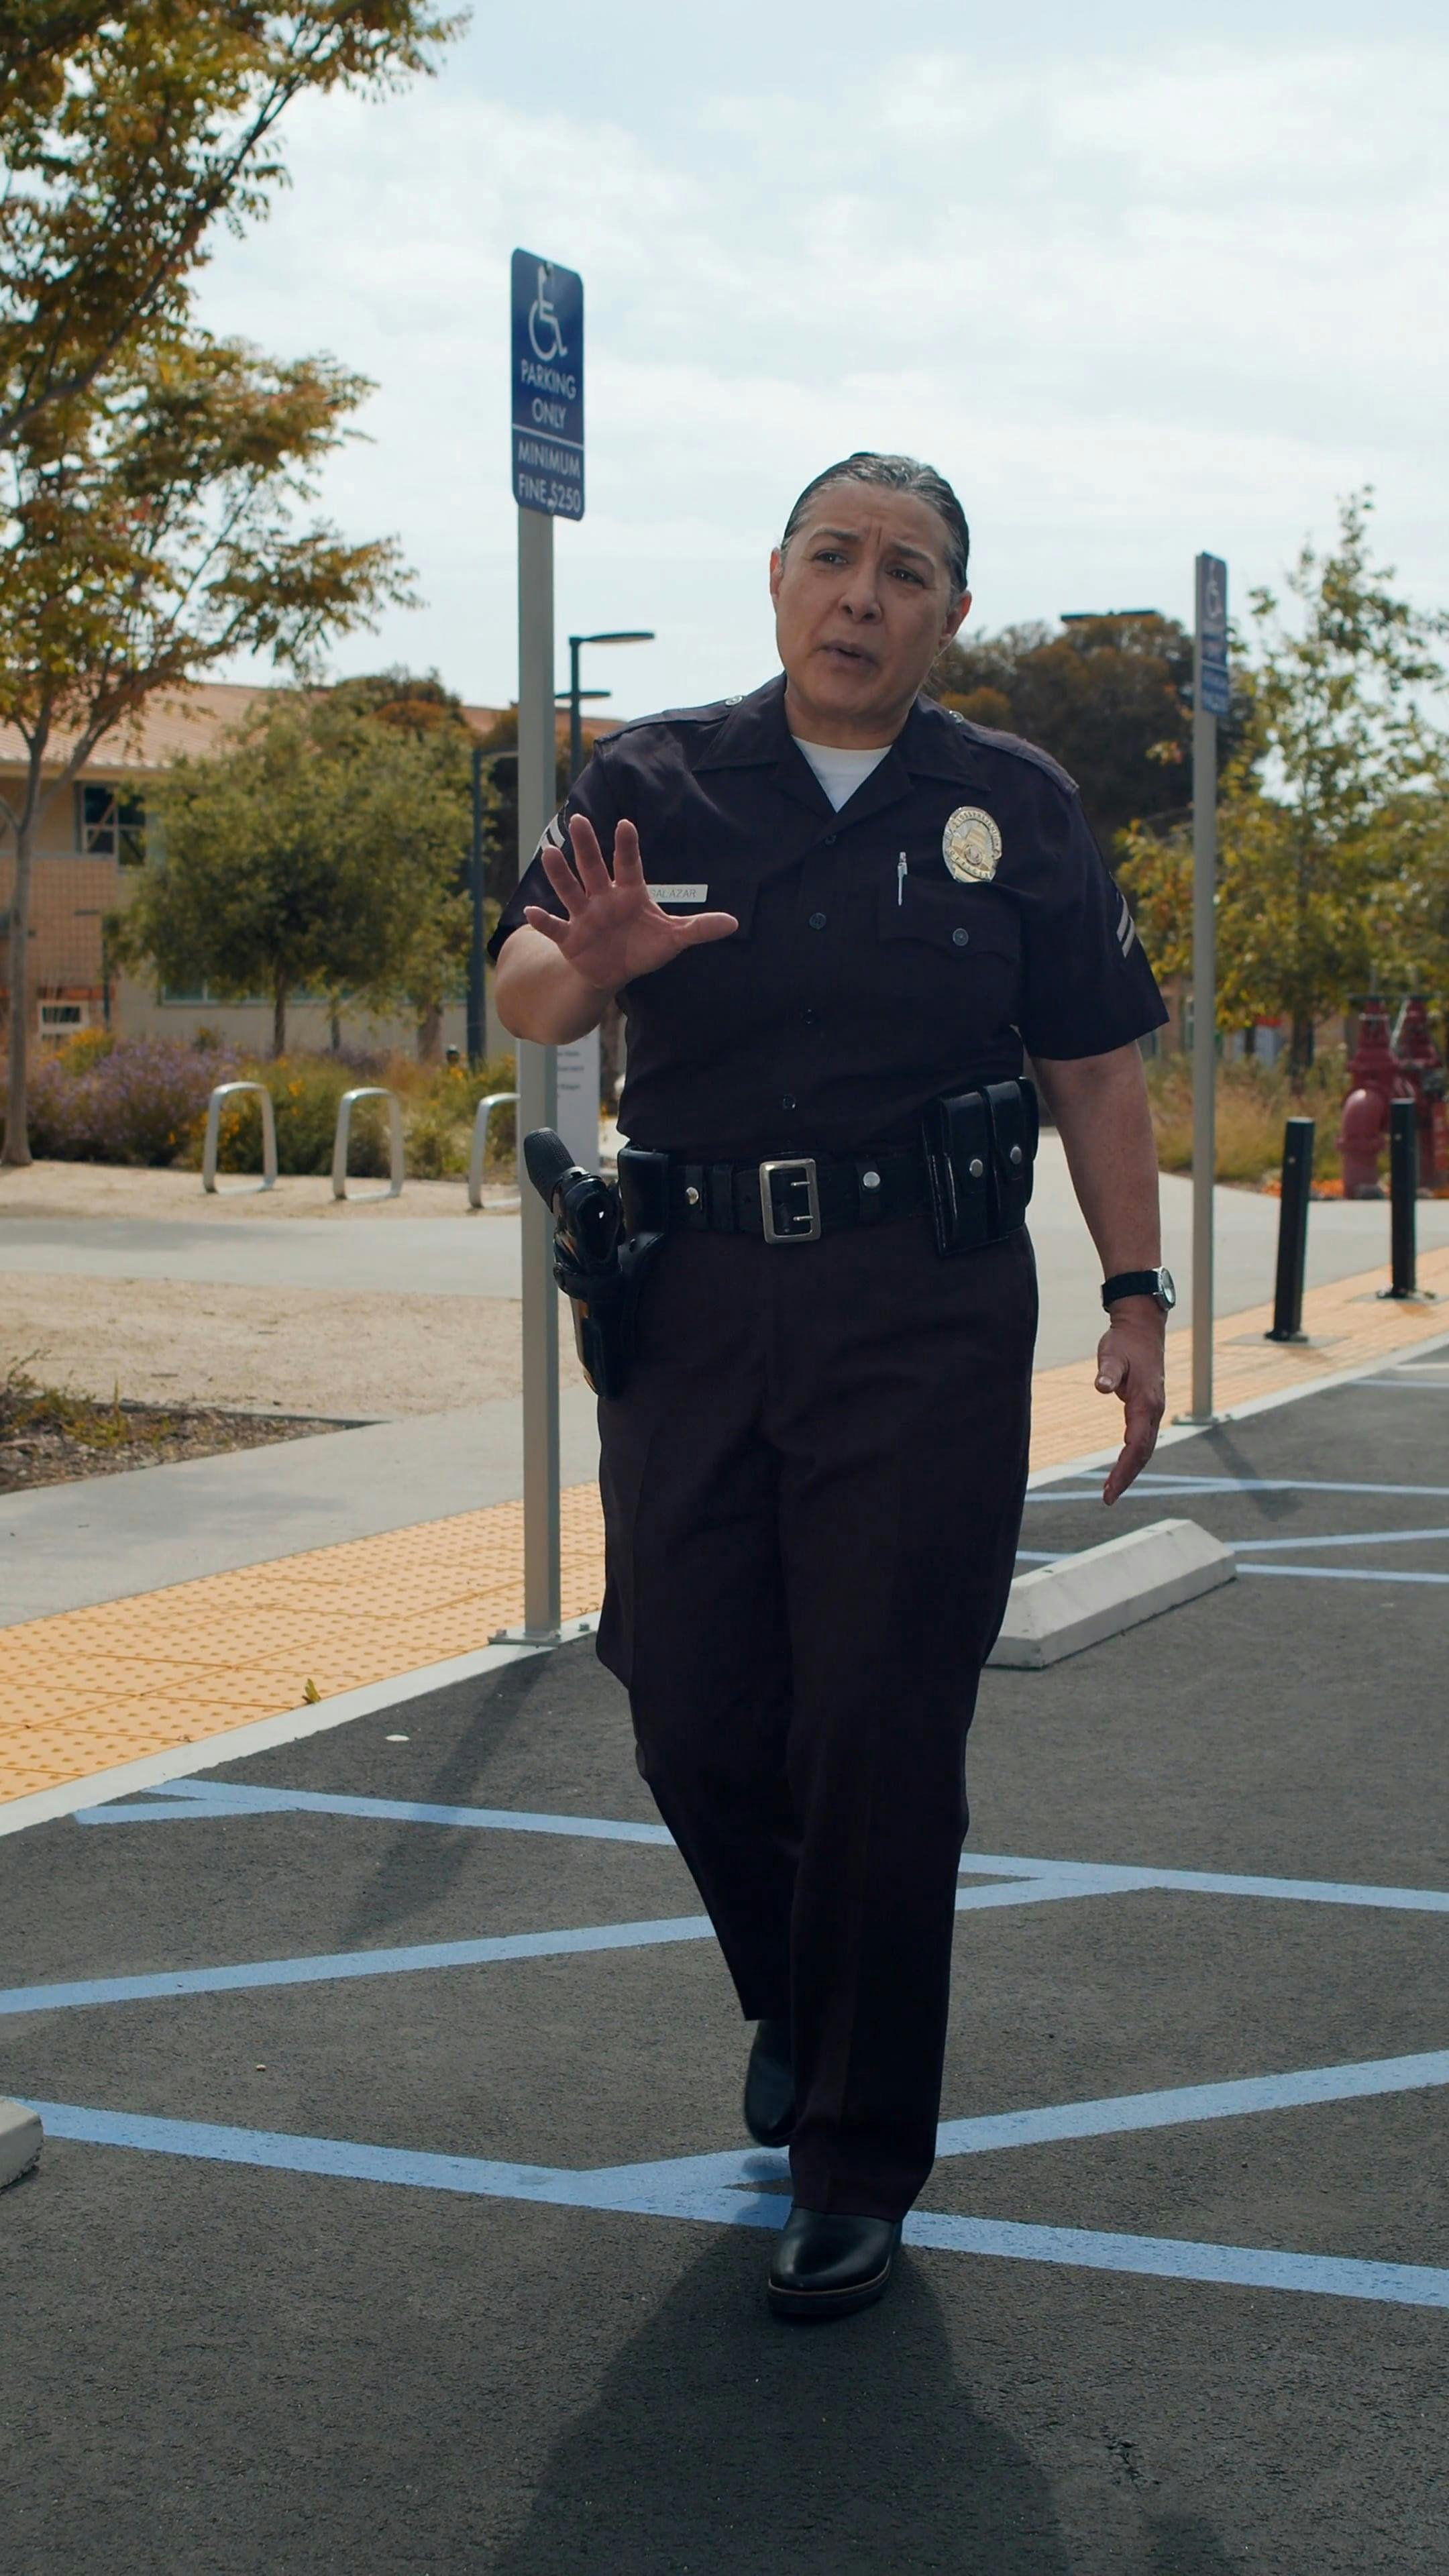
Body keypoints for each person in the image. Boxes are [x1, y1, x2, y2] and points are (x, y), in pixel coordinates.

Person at [491, 452, 1171, 2322]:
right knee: (695, 1709)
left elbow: (1097, 1064)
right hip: (691, 1296)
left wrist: (1135, 1293)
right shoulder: (650, 780)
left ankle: (859, 2153)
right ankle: (799, 1983)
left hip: (923, 1310)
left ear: (952, 617)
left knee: (878, 1728)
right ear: (775, 578)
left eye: (908, 572)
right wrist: (589, 967)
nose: (862, 596)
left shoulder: (1010, 805)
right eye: (833, 558)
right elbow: (528, 994)